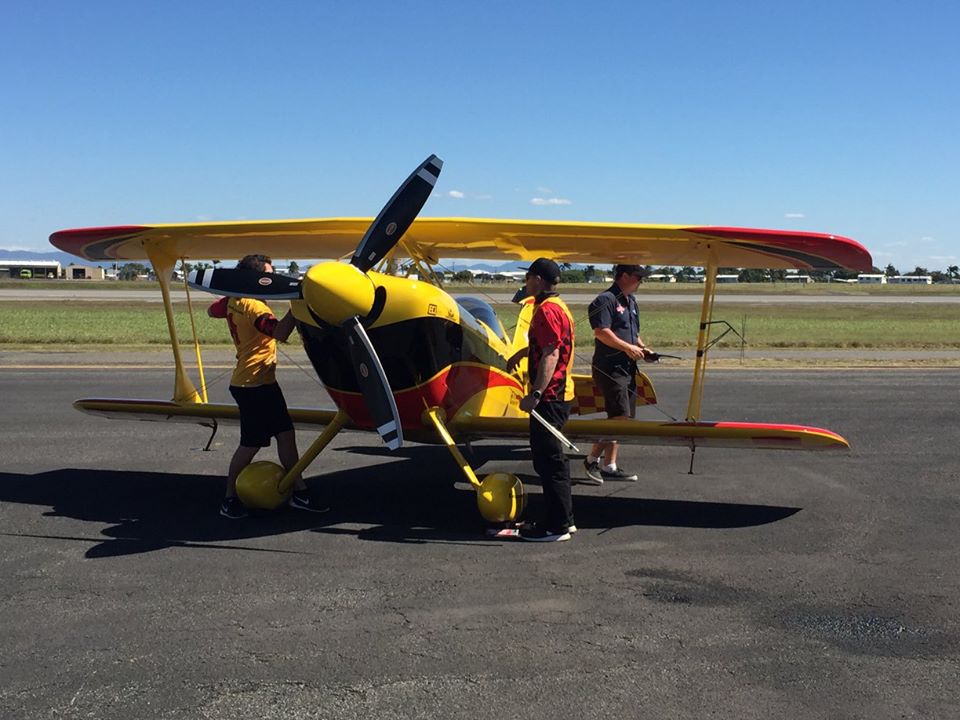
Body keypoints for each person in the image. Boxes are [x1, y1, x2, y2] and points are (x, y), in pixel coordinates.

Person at [208, 254, 327, 519]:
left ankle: (300, 490)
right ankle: (229, 498)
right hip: (252, 384)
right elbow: (280, 333)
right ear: (256, 279)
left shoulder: (233, 301)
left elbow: (212, 310)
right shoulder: (254, 307)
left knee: (286, 434)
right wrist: (300, 304)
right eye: (268, 275)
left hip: (260, 382)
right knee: (251, 444)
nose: (272, 280)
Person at [510, 258, 577, 542]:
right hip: (559, 394)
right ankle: (564, 520)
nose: (525, 282)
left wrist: (535, 394)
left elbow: (551, 354)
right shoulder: (557, 306)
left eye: (527, 277)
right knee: (550, 461)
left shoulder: (547, 311)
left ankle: (556, 526)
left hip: (549, 397)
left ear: (537, 279)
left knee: (549, 461)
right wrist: (522, 354)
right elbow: (548, 346)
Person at [583, 264, 656, 485]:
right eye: (637, 277)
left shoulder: (631, 301)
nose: (640, 282)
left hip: (628, 368)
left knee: (623, 418)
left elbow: (633, 333)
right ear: (624, 276)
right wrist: (626, 348)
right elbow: (601, 332)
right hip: (610, 368)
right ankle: (591, 459)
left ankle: (610, 465)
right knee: (619, 417)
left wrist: (643, 349)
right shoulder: (605, 300)